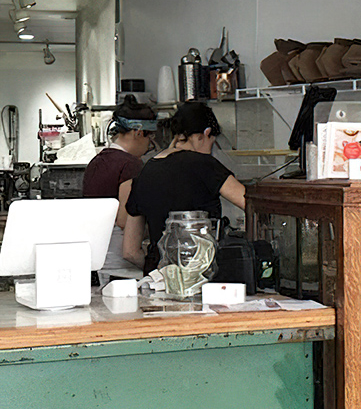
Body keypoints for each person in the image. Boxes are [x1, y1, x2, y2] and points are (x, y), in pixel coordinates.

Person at [123, 101, 245, 274]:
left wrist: (160, 272)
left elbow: (129, 252)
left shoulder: (146, 170)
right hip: (200, 275)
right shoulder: (205, 165)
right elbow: (250, 203)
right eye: (212, 143)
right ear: (206, 133)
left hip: (156, 278)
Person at [82, 95, 157, 282]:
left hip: (96, 258)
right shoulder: (130, 164)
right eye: (150, 138)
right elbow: (124, 219)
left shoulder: (96, 161)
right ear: (138, 133)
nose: (150, 146)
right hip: (120, 264)